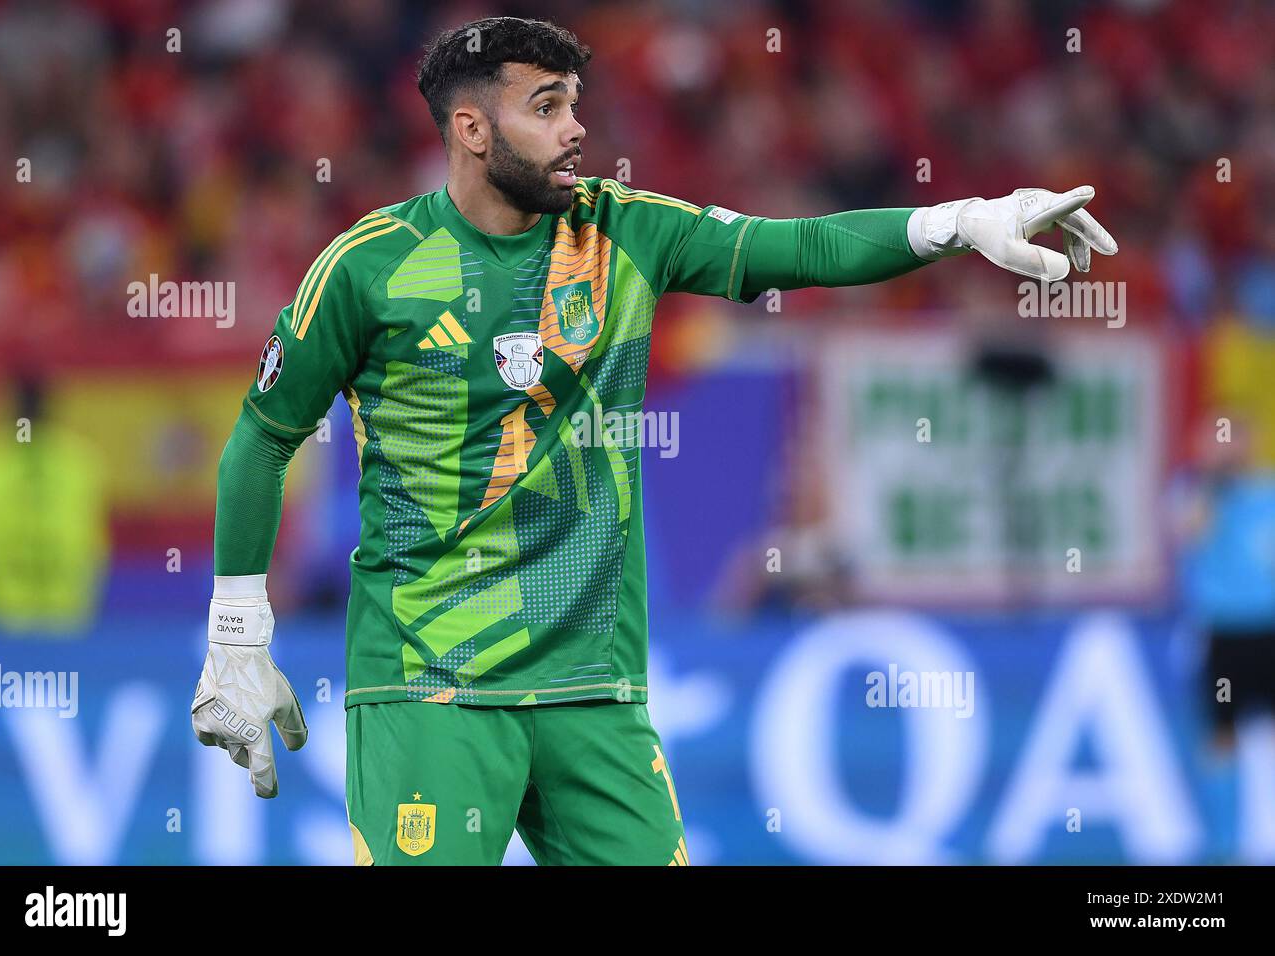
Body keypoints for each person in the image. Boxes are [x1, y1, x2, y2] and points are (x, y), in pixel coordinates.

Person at [190, 15, 1117, 865]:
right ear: (472, 131)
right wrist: (237, 630)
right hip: (431, 686)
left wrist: (959, 223)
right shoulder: (367, 268)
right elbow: (262, 438)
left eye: (574, 105)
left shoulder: (624, 231)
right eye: (544, 107)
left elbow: (799, 248)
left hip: (595, 691)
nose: (574, 129)